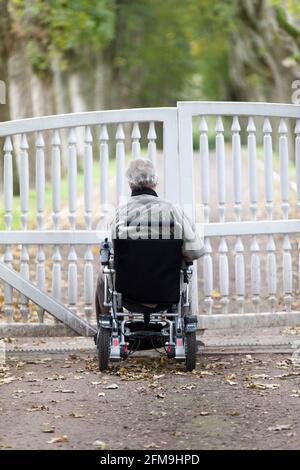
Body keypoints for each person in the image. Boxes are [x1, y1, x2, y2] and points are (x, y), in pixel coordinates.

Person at [95, 158, 205, 320]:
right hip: (166, 288)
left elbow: (112, 251)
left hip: (128, 291)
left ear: (130, 183)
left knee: (102, 275)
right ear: (155, 182)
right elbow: (195, 251)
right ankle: (179, 321)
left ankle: (106, 324)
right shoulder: (174, 211)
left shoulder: (119, 214)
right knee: (184, 269)